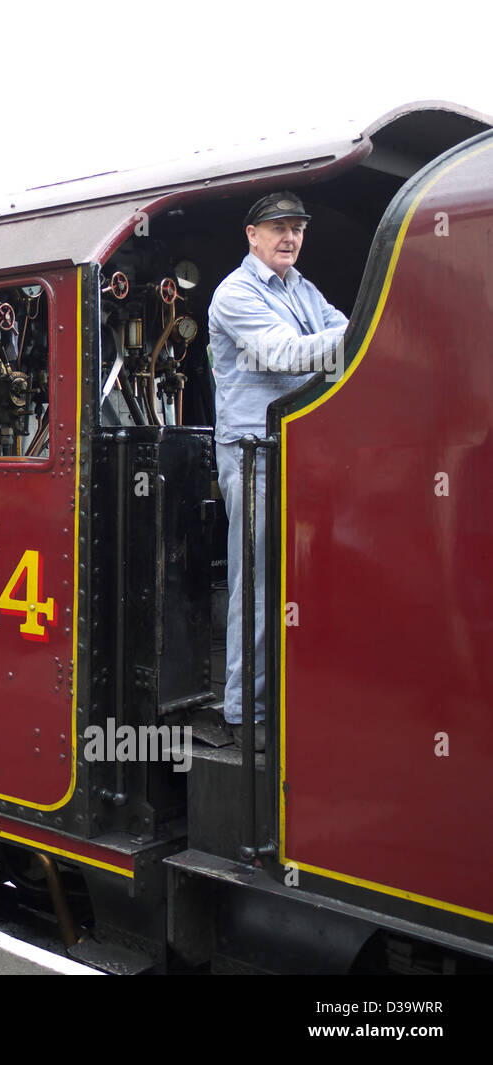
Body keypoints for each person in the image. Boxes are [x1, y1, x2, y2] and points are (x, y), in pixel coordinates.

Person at [207, 191, 348, 752]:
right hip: (254, 456)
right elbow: (285, 354)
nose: (290, 238)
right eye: (279, 228)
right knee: (260, 581)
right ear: (252, 235)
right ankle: (245, 712)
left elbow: (342, 334)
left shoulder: (303, 290)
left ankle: (297, 698)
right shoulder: (234, 292)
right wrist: (371, 330)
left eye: (298, 229)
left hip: (301, 452)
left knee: (306, 579)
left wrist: (358, 335)